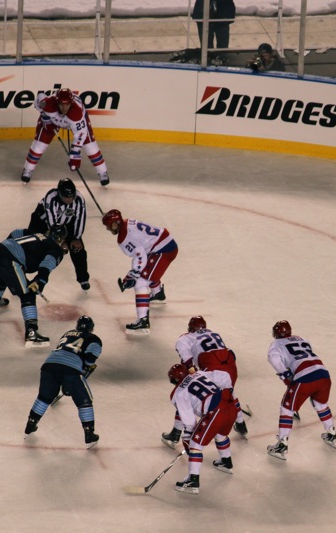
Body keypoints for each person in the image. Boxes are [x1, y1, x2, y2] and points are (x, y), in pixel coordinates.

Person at [161, 316, 249, 449]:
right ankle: (241, 424)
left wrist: (192, 376)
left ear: (190, 328)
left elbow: (188, 363)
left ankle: (176, 433)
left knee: (185, 393)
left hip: (212, 369)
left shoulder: (185, 338)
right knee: (228, 394)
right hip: (230, 368)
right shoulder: (214, 333)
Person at [23, 315, 102, 449]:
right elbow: (89, 361)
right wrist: (85, 369)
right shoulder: (95, 339)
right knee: (85, 401)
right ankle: (89, 434)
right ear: (91, 328)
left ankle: (30, 425)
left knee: (43, 397)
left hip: (49, 365)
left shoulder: (68, 333)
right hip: (71, 369)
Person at [265, 320, 336, 461]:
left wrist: (285, 376)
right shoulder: (302, 339)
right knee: (321, 405)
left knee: (287, 408)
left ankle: (281, 445)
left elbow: (273, 359)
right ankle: (332, 433)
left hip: (304, 378)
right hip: (323, 374)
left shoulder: (276, 344)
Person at [0, 225, 68, 347]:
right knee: (28, 294)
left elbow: (16, 232)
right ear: (61, 239)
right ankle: (31, 333)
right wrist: (40, 282)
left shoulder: (36, 234)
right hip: (10, 260)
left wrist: (10, 247)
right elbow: (47, 264)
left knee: (2, 277)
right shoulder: (56, 249)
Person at [101, 209, 178, 335]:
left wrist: (134, 274)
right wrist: (134, 272)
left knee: (141, 283)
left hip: (163, 250)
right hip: (165, 244)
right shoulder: (127, 223)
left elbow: (140, 255)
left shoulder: (124, 237)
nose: (108, 229)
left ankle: (142, 320)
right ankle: (158, 294)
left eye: (109, 226)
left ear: (115, 224)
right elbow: (144, 252)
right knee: (149, 270)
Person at [168, 364, 238, 494]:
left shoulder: (178, 392)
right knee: (220, 434)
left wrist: (188, 436)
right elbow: (225, 377)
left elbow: (187, 416)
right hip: (231, 405)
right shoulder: (199, 373)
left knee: (195, 444)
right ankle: (226, 462)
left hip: (216, 411)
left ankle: (192, 481)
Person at [21, 88, 110, 186]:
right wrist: (46, 119)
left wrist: (75, 156)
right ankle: (27, 170)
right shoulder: (48, 103)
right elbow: (39, 99)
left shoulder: (77, 113)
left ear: (71, 103)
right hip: (53, 121)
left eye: (67, 105)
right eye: (61, 104)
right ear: (57, 101)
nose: (64, 108)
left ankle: (102, 173)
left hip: (76, 124)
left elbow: (80, 135)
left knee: (90, 147)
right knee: (38, 146)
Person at [27, 178, 91, 291]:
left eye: (72, 196)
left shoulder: (79, 199)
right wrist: (61, 242)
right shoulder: (51, 197)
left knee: (78, 249)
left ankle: (83, 278)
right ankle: (23, 272)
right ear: (60, 194)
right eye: (66, 197)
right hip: (41, 221)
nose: (70, 199)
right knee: (33, 246)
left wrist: (76, 237)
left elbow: (80, 219)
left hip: (66, 223)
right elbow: (52, 225)